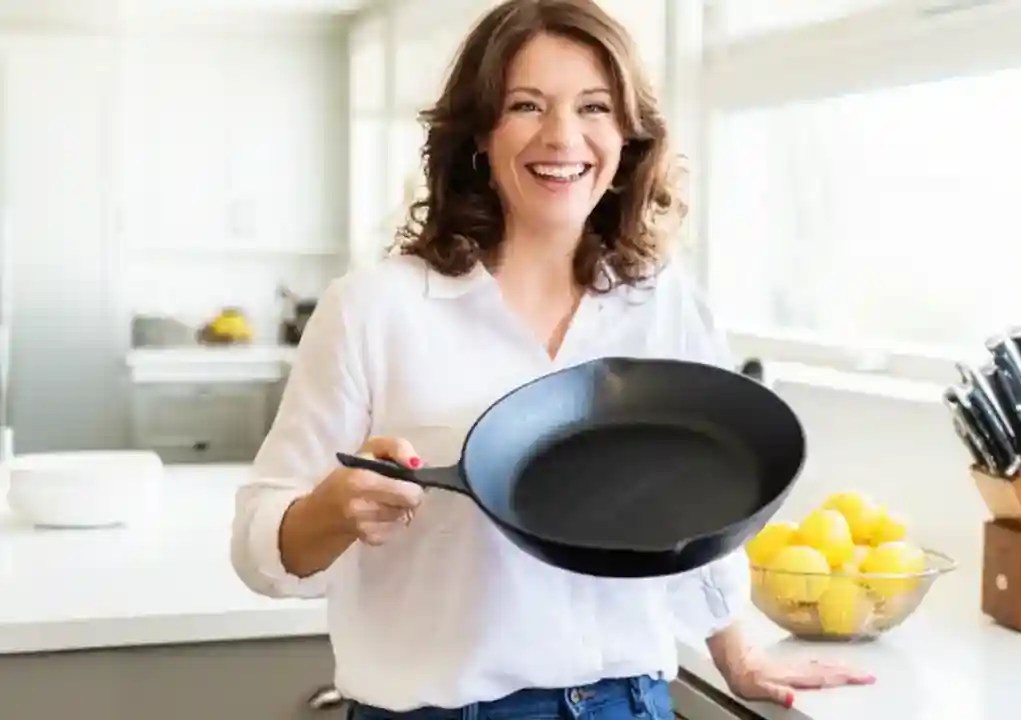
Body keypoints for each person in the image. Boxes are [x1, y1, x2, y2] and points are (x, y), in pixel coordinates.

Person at [229, 1, 874, 717]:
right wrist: (332, 510)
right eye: (527, 106)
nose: (564, 136)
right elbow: (259, 544)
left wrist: (740, 655)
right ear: (481, 133)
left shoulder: (664, 304)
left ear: (628, 135)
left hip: (629, 704)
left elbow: (707, 514)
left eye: (594, 106)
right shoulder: (375, 309)